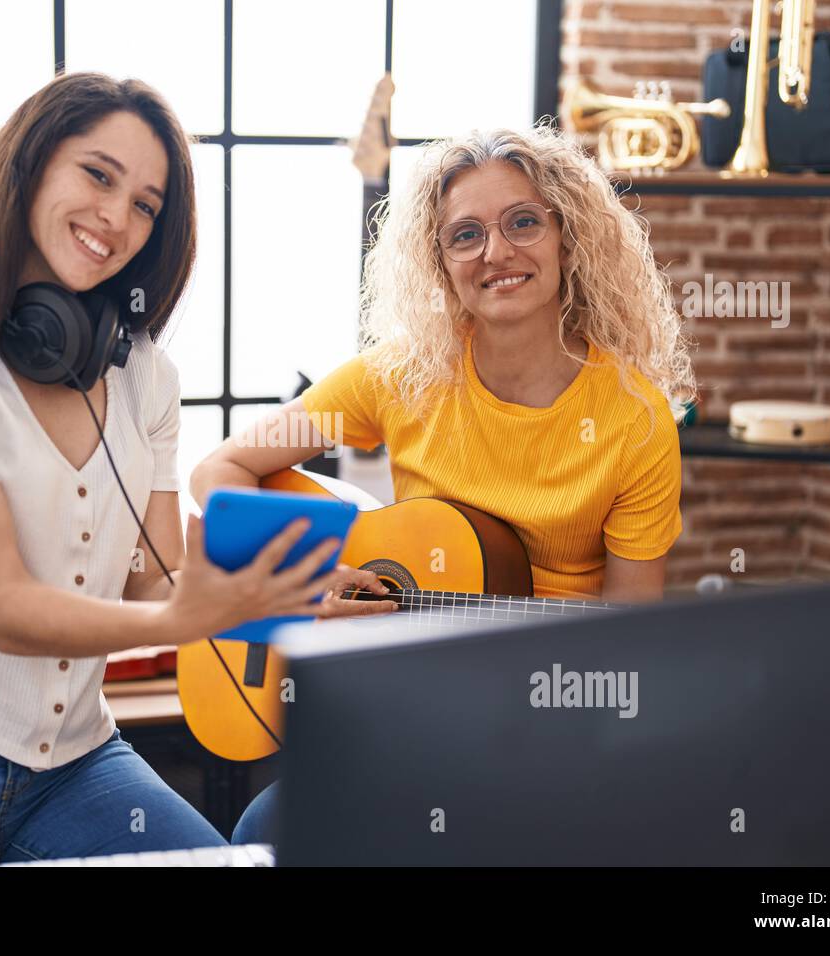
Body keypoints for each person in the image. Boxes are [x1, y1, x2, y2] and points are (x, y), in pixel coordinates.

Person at [0, 72, 389, 866]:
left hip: (75, 765)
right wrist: (189, 619)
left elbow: (155, 579)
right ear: (29, 167)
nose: (118, 217)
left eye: (146, 203)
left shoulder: (145, 376)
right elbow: (6, 609)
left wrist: (284, 596)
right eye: (98, 175)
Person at [190, 124, 696, 845]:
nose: (497, 252)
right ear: (439, 260)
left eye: (523, 222)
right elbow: (220, 469)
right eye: (465, 235)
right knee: (265, 833)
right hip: (406, 702)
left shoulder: (636, 420)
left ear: (567, 236)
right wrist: (305, 569)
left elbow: (627, 656)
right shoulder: (402, 377)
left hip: (547, 720)